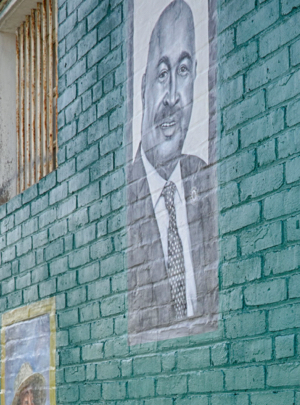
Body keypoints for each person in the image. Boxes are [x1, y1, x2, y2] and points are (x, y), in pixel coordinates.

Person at [127, 0, 218, 344]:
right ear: (143, 89)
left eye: (182, 71)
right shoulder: (124, 202)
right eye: (162, 74)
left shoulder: (205, 180)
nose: (172, 97)